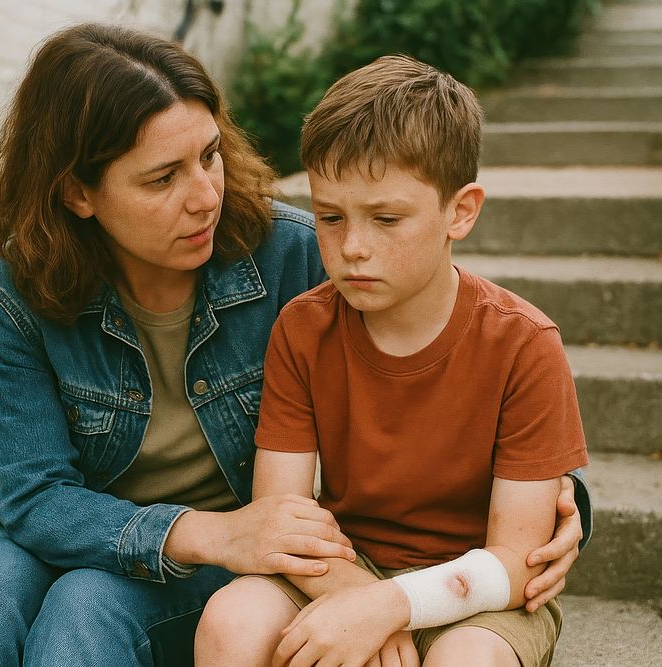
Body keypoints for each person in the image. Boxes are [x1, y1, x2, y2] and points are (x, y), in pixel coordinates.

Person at [0, 24, 588, 667]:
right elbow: (34, 494)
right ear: (78, 193)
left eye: (209, 156)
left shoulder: (298, 253)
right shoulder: (15, 289)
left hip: (236, 551)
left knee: (86, 608)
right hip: (97, 528)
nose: (206, 195)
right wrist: (212, 533)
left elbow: (443, 347)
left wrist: (564, 505)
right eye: (163, 177)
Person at [195, 54, 590, 667]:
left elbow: (518, 562)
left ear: (460, 211)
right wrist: (356, 595)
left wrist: (390, 606)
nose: (352, 247)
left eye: (386, 219)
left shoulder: (524, 344)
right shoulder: (303, 329)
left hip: (479, 597)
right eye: (329, 217)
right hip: (339, 565)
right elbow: (283, 522)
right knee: (233, 620)